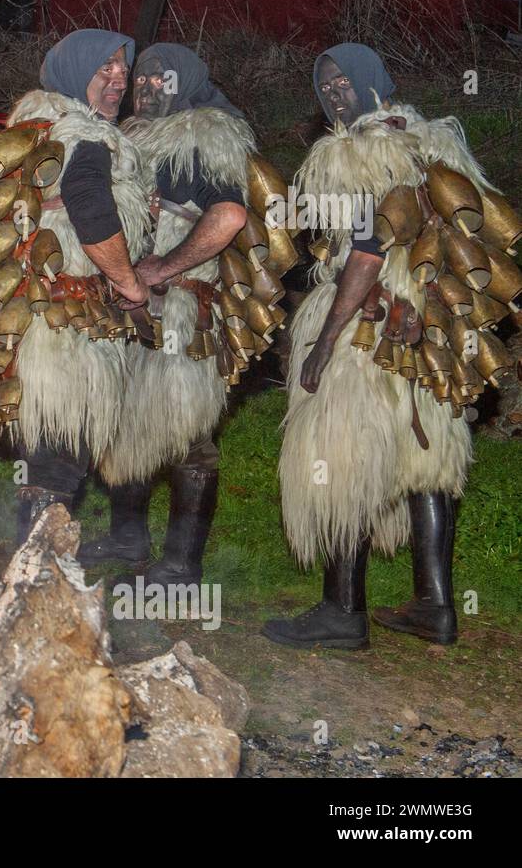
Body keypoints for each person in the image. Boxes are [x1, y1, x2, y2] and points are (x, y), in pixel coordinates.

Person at [264, 43, 499, 649]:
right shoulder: (430, 145)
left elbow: (366, 250)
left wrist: (323, 342)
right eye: (326, 85)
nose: (335, 91)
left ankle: (342, 611)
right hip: (427, 328)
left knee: (340, 455)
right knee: (423, 453)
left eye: (344, 80)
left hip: (366, 325)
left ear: (373, 79)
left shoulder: (360, 154)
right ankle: (435, 606)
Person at [80, 43, 253, 586]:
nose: (149, 87)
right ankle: (128, 536)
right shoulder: (127, 135)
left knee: (186, 434)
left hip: (183, 312)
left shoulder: (208, 134)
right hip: (128, 307)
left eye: (163, 79)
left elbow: (227, 214)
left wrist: (165, 268)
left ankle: (182, 564)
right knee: (122, 419)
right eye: (144, 78)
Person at [10, 30, 153, 543]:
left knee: (46, 456)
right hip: (66, 331)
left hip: (38, 321)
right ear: (74, 74)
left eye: (122, 68)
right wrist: (129, 283)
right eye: (104, 68)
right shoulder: (82, 137)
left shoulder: (37, 130)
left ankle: (30, 584)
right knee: (58, 463)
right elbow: (91, 208)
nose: (118, 78)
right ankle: (35, 591)